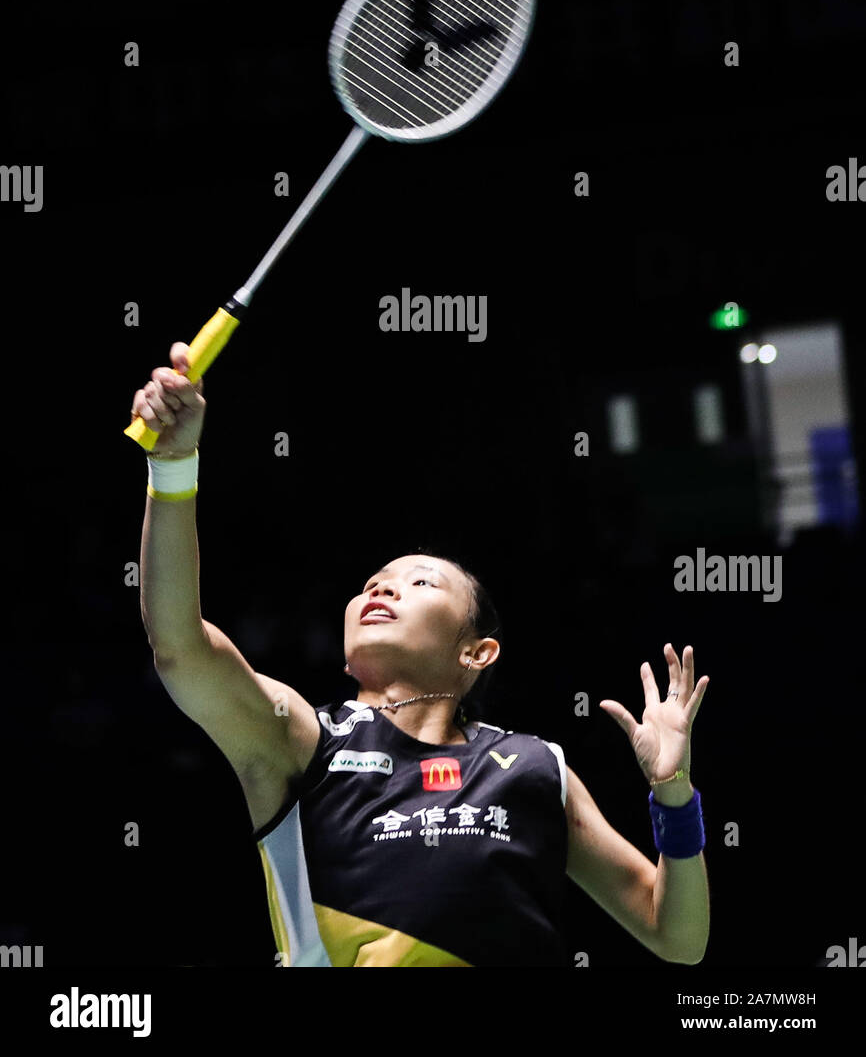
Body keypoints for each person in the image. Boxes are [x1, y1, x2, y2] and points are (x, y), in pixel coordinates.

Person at [133, 342, 711, 968]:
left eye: (420, 582)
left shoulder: (535, 769)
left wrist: (673, 793)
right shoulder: (302, 740)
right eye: (372, 583)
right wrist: (173, 466)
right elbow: (180, 646)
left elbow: (675, 937)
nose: (380, 588)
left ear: (477, 652)